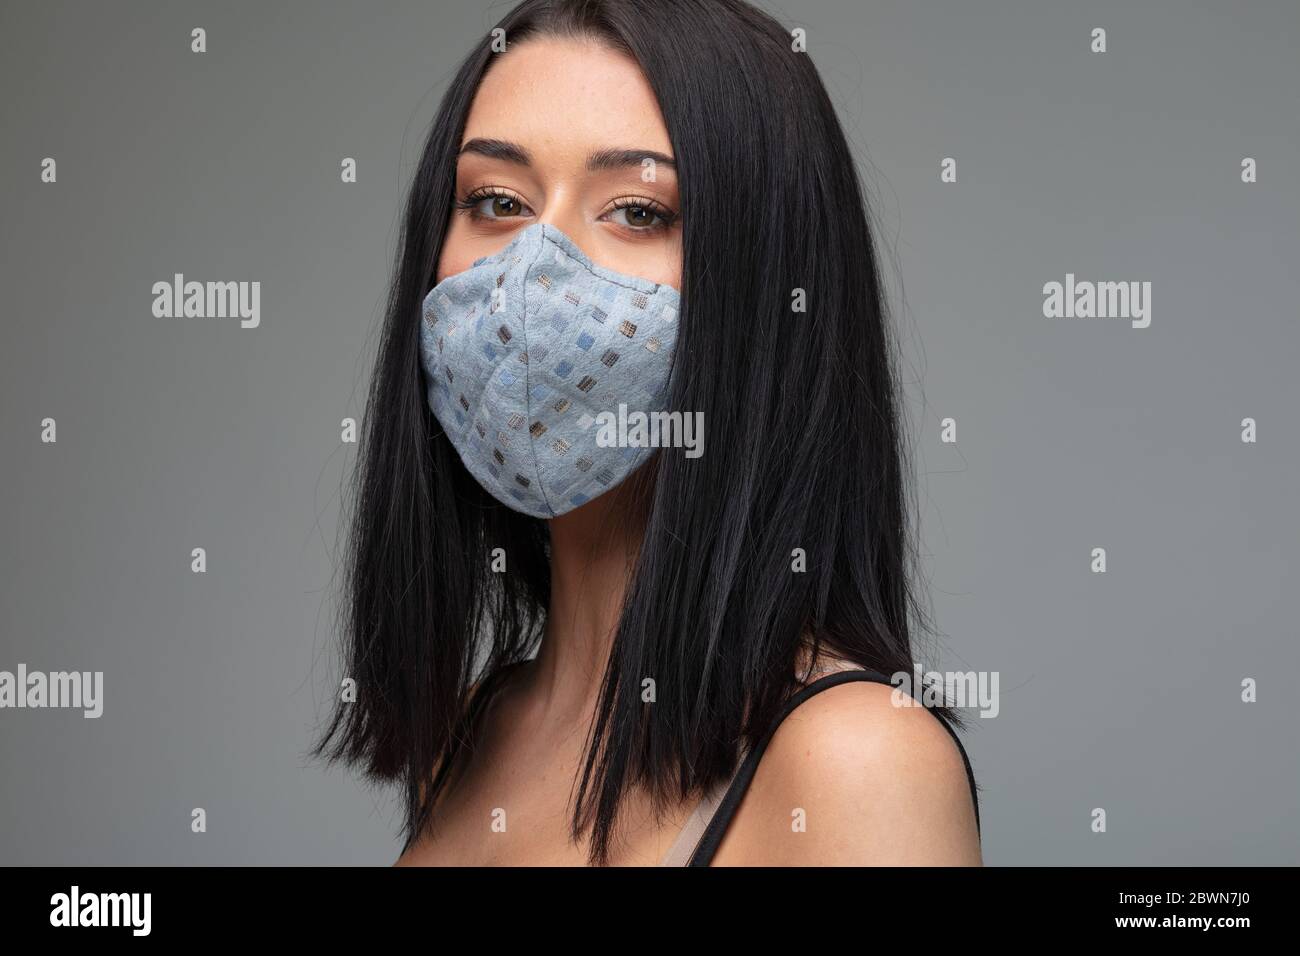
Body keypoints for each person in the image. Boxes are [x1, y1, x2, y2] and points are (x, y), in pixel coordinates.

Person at [312, 0, 983, 867]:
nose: (532, 276)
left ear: (772, 287)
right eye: (497, 199)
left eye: (637, 210)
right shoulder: (472, 731)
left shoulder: (856, 762)